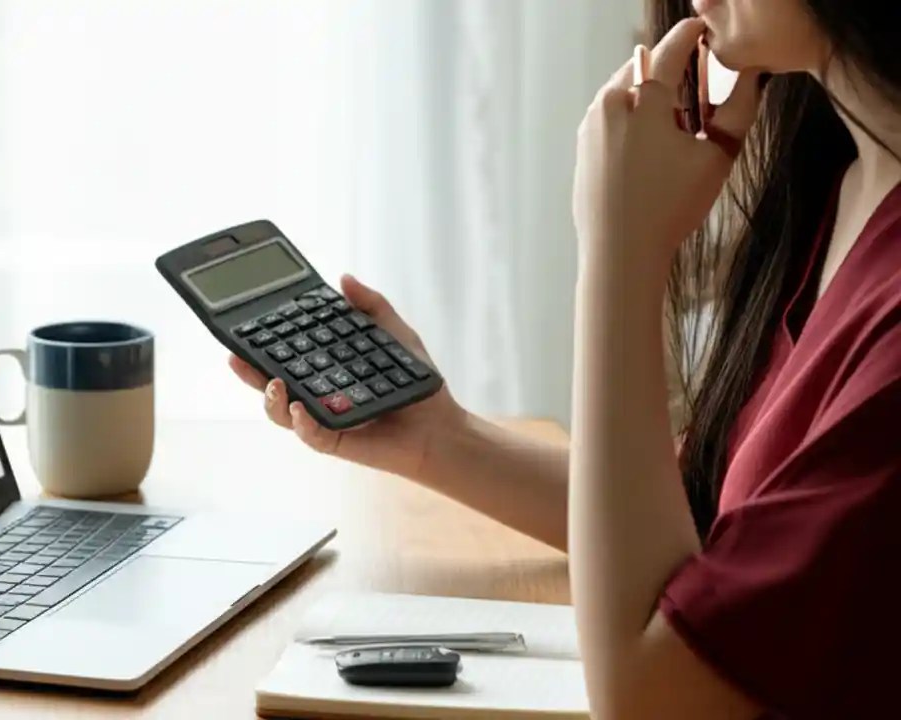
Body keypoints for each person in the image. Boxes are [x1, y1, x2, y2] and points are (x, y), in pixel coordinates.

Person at [230, 1, 901, 717]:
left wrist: (623, 248)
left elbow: (648, 696)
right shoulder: (851, 181)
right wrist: (440, 439)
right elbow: (709, 525)